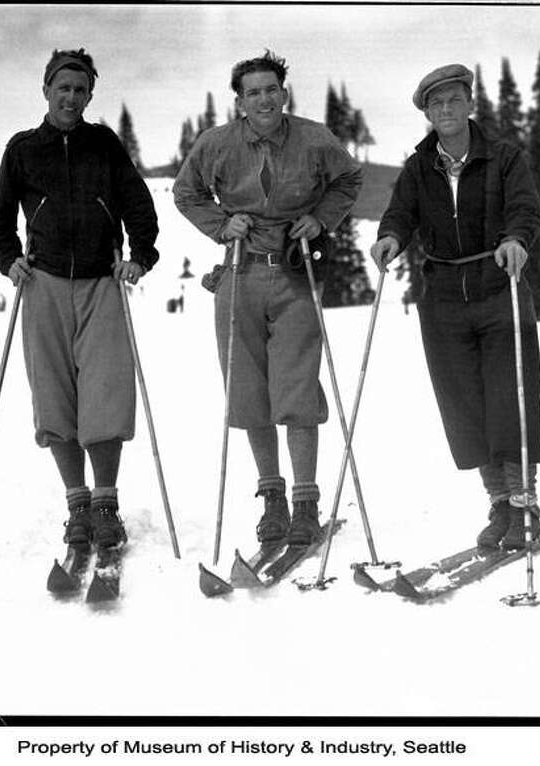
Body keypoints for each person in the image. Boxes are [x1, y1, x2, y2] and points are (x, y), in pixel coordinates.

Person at [174, 50, 362, 546]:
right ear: (240, 101)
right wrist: (221, 224)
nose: (264, 99)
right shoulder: (216, 144)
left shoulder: (314, 138)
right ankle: (272, 501)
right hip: (238, 275)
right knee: (250, 393)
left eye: (271, 90)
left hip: (294, 274)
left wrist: (321, 218)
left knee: (297, 392)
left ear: (284, 93)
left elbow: (348, 180)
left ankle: (305, 503)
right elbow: (186, 192)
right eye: (253, 92)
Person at [0, 48, 159, 552]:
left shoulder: (103, 143)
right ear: (46, 90)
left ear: (89, 96)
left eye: (80, 90)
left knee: (105, 390)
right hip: (41, 283)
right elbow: (0, 222)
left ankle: (106, 505)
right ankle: (78, 505)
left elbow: (136, 203)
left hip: (100, 280)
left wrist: (141, 255)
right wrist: (9, 259)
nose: (71, 97)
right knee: (54, 393)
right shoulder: (22, 149)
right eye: (63, 88)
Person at [370, 64, 540, 550]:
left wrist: (516, 239)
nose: (445, 110)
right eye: (435, 104)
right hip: (443, 296)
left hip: (498, 287)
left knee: (509, 398)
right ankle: (497, 504)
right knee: (465, 405)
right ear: (426, 113)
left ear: (470, 103)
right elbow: (400, 213)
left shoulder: (504, 157)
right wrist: (390, 238)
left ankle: (523, 503)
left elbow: (525, 209)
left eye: (453, 100)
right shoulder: (417, 167)